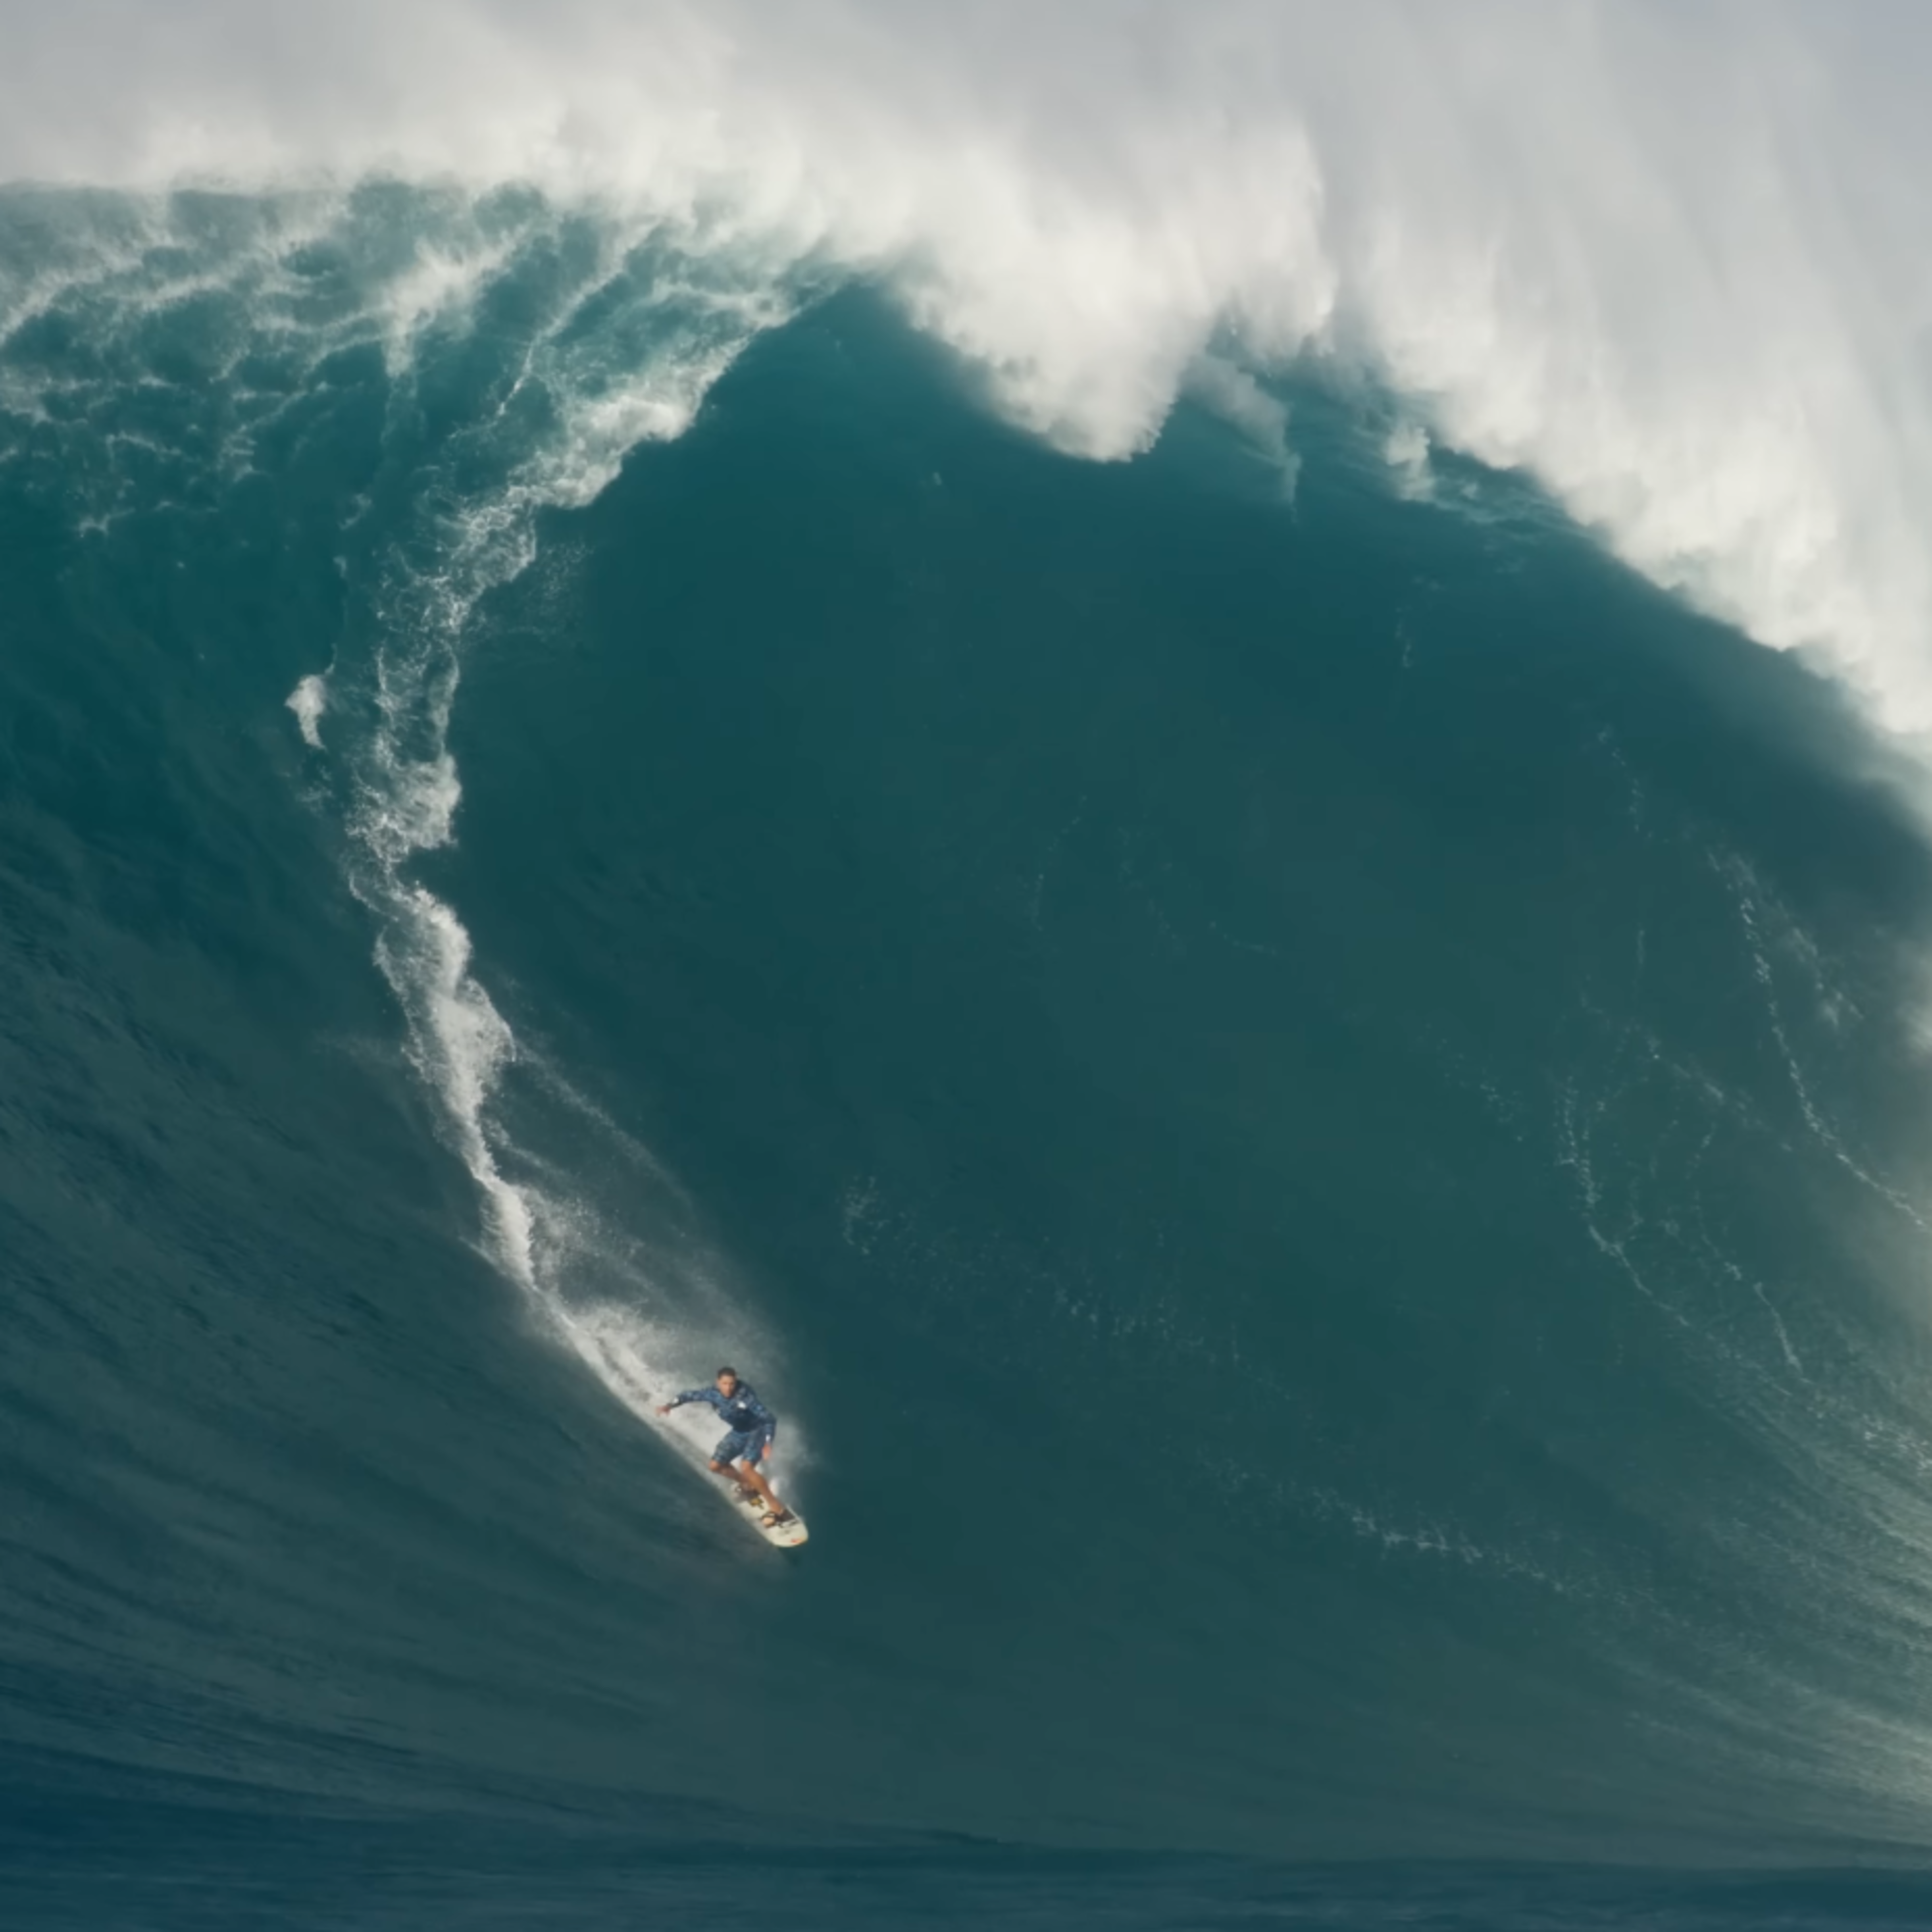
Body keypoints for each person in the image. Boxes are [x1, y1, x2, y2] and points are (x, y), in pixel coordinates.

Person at [657, 1367, 795, 1524]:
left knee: (747, 1467)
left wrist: (768, 1443)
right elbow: (687, 1396)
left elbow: (770, 1419)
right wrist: (669, 1406)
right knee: (715, 1466)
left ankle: (778, 1510)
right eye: (725, 1384)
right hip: (740, 1433)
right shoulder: (712, 1394)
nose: (729, 1388)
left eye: (732, 1384)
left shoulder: (746, 1398)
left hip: (758, 1431)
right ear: (718, 1383)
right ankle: (748, 1483)